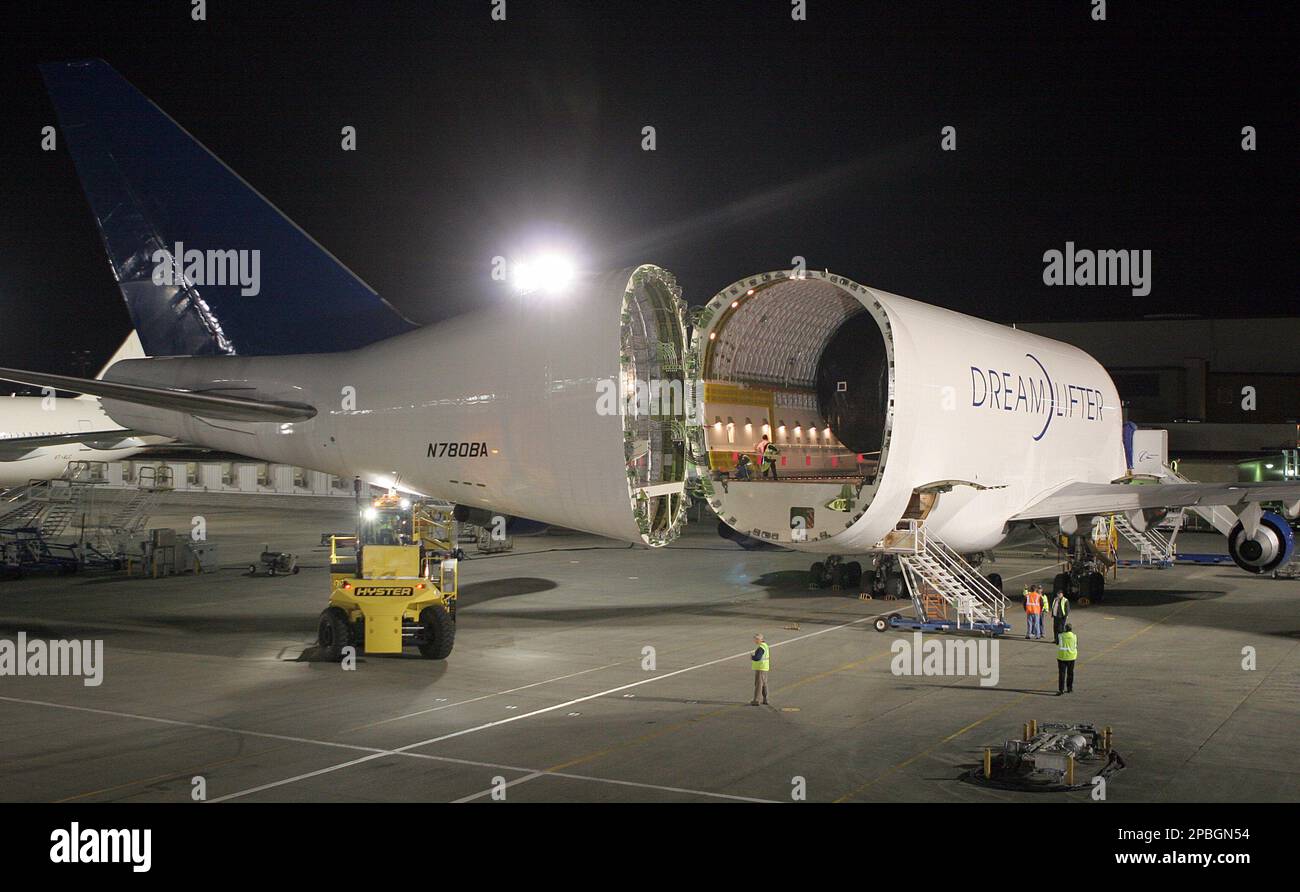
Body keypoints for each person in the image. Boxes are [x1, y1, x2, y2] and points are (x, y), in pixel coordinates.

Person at [1056, 623, 1078, 694]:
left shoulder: (1061, 636)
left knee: (1062, 674)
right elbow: (1076, 644)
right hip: (1071, 657)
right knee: (1070, 673)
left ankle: (1061, 689)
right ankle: (1069, 688)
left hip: (1062, 657)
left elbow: (1057, 643)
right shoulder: (1074, 636)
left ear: (1065, 629)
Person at [750, 633, 770, 705]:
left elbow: (757, 658)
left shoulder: (761, 648)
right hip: (764, 667)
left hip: (760, 668)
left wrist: (752, 657)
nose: (754, 641)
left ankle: (756, 700)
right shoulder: (765, 646)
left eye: (755, 639)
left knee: (758, 684)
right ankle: (765, 699)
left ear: (759, 640)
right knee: (764, 684)